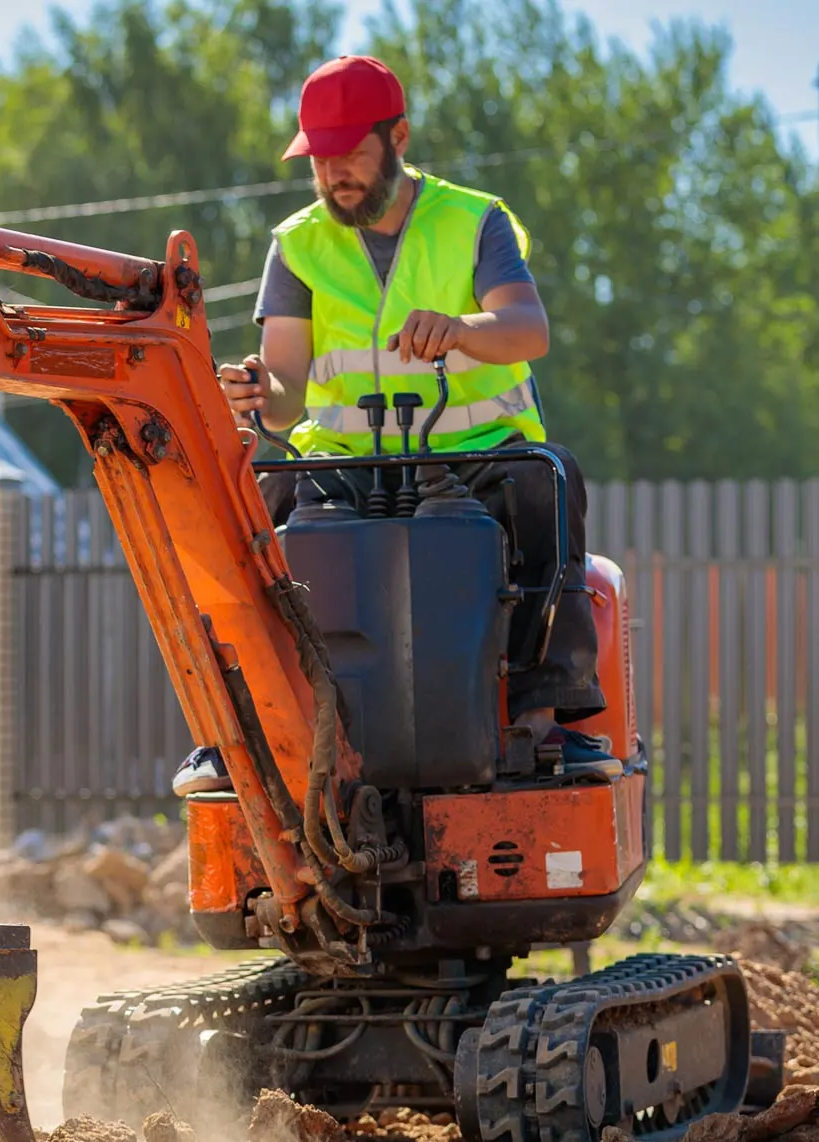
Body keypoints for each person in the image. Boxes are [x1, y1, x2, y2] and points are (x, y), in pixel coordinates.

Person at [172, 53, 616, 797]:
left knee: (551, 480)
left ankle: (544, 726)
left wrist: (463, 328)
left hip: (477, 457)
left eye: (350, 153)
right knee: (248, 501)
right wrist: (254, 389)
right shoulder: (299, 243)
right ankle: (244, 732)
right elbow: (284, 393)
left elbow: (528, 328)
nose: (334, 174)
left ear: (399, 137)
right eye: (320, 159)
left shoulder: (474, 220)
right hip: (344, 462)